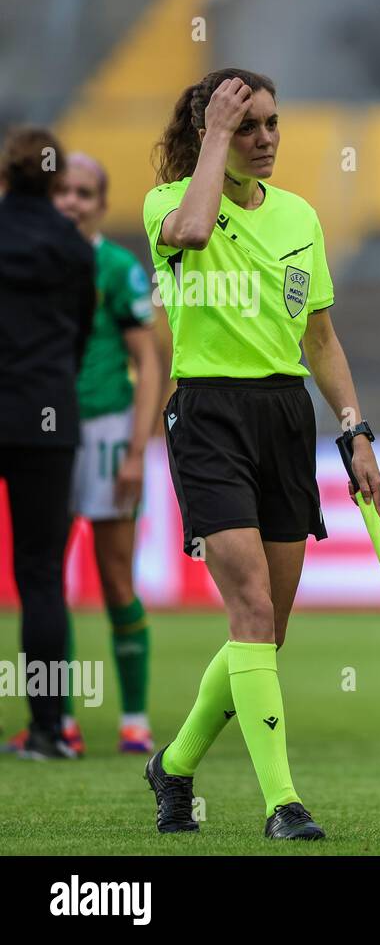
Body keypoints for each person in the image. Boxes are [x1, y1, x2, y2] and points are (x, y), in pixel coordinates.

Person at [140, 68, 380, 840]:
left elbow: (319, 338)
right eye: (248, 126)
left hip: (284, 416)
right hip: (209, 413)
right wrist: (214, 136)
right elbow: (193, 233)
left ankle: (173, 763)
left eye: (272, 123)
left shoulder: (301, 217)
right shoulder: (169, 206)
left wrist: (354, 427)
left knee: (267, 628)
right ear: (212, 131)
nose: (267, 138)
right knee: (247, 609)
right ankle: (283, 804)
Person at [53, 153, 162, 755]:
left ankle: (135, 720)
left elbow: (149, 361)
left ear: (102, 203)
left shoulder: (118, 268)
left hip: (106, 430)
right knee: (47, 581)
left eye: (85, 193)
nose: (72, 202)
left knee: (116, 578)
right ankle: (59, 722)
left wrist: (136, 450)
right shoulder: (31, 264)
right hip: (45, 436)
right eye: (62, 191)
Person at [0, 126, 96, 760]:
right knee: (40, 578)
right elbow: (81, 335)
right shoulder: (73, 246)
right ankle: (47, 729)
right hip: (47, 417)